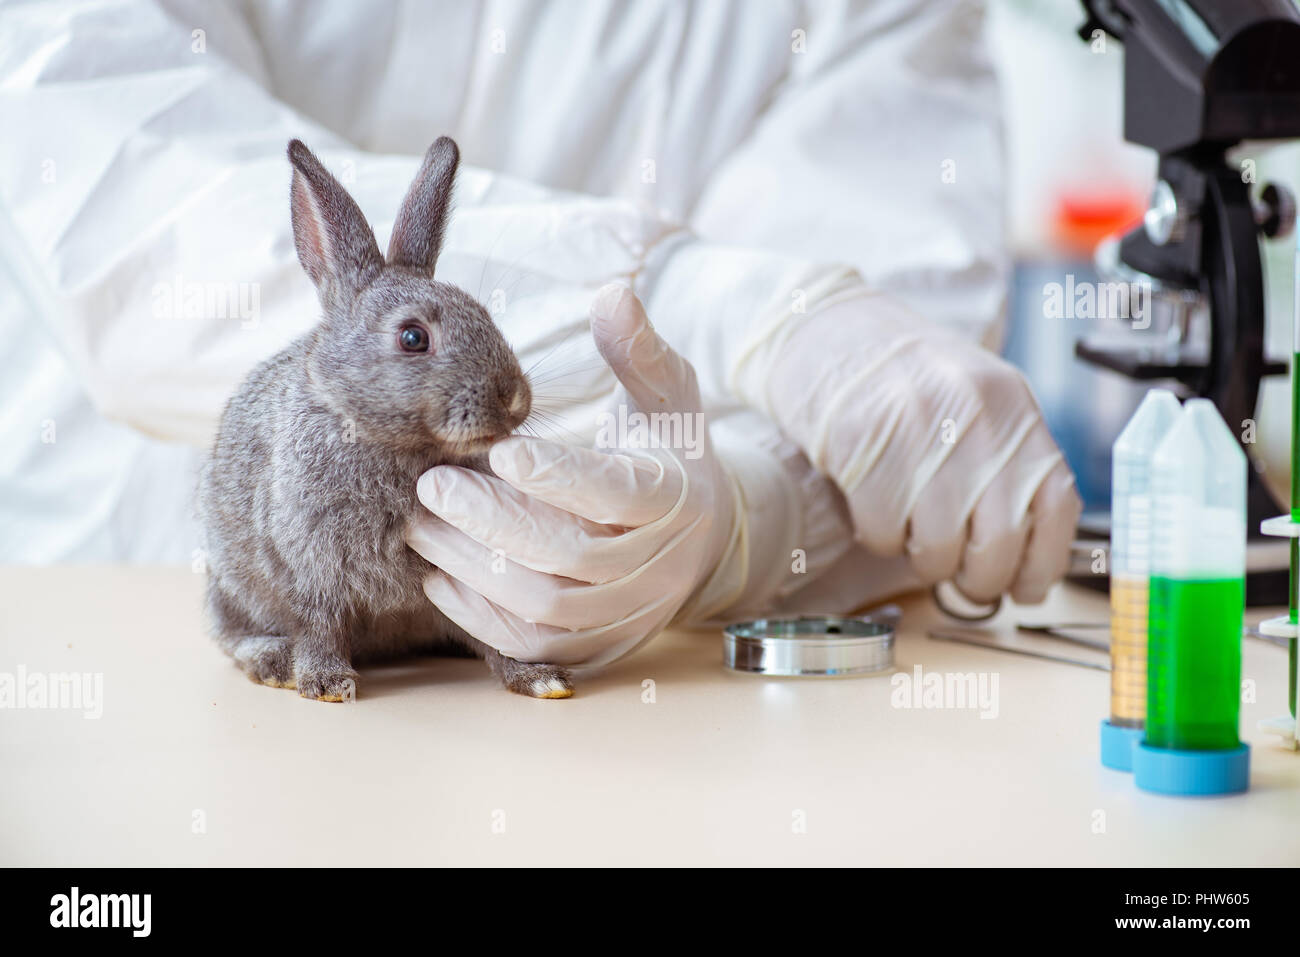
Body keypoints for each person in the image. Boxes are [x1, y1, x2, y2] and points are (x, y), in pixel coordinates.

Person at [0, 0, 1079, 666]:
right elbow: (131, 214)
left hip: (631, 690)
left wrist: (747, 513)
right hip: (124, 614)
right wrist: (730, 303)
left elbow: (904, 403)